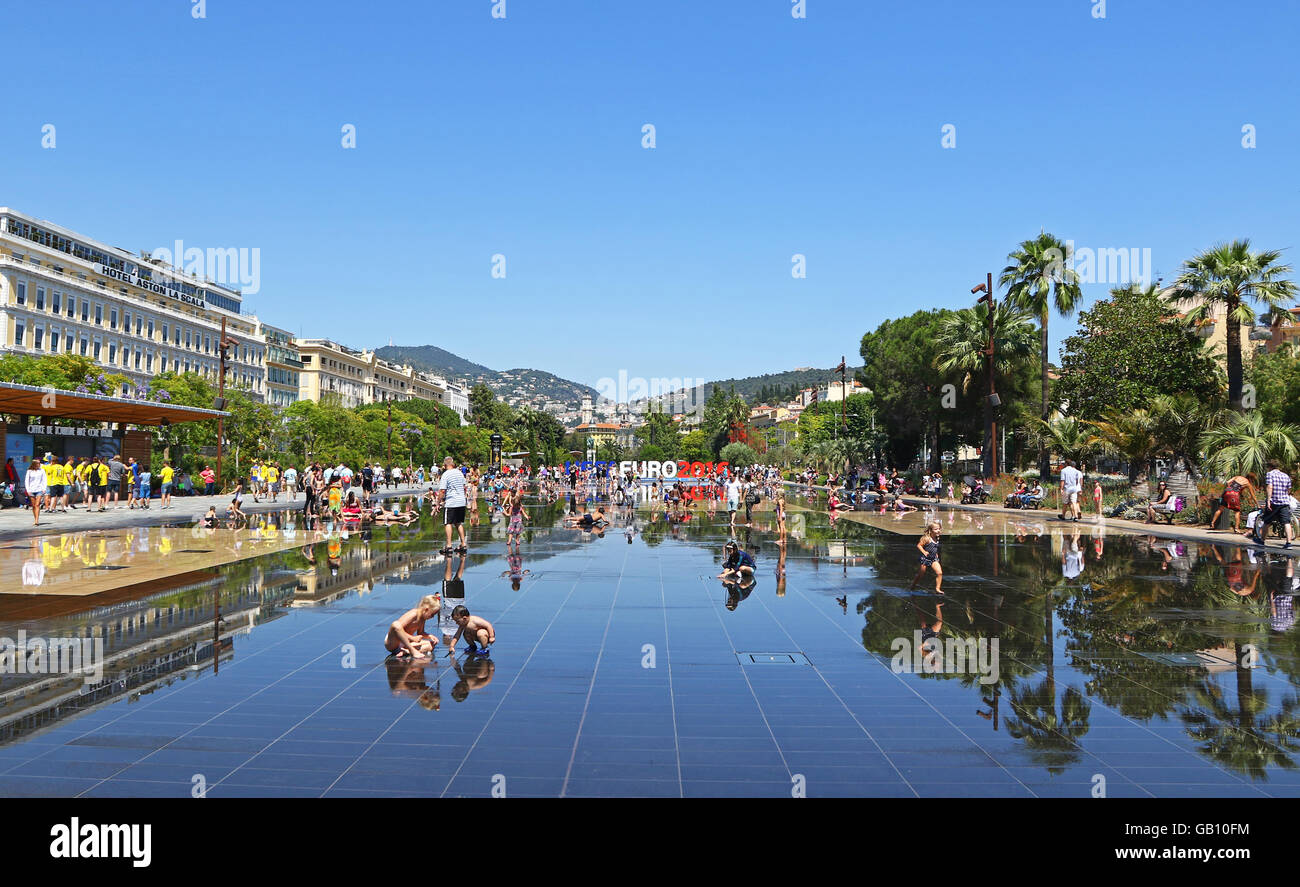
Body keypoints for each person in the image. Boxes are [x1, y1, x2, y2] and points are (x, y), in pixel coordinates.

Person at [1254, 460, 1294, 549]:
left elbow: (1269, 487)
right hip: (1284, 502)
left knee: (1267, 521)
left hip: (1274, 502)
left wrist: (1268, 500)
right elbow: (1289, 489)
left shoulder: (1269, 474)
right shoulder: (1285, 475)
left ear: (1269, 467)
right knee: (1286, 522)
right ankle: (1288, 543)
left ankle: (1262, 541)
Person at [437, 456, 469, 555]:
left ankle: (449, 545)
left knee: (448, 523)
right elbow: (464, 487)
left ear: (445, 465)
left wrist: (438, 502)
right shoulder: (459, 473)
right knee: (458, 523)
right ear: (453, 463)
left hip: (451, 501)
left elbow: (442, 490)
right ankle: (463, 544)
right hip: (461, 501)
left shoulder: (446, 474)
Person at [913, 520, 944, 593]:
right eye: (936, 529)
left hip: (933, 558)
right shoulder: (927, 538)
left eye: (939, 528)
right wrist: (924, 552)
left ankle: (937, 588)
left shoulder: (937, 538)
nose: (938, 530)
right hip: (925, 558)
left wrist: (936, 554)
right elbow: (919, 545)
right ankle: (913, 585)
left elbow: (935, 547)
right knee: (921, 575)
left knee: (939, 573)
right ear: (930, 530)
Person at [24, 458, 47, 526]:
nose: (39, 464)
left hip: (39, 489)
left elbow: (44, 480)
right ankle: (35, 518)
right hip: (31, 490)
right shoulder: (29, 471)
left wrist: (44, 488)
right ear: (34, 464)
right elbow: (26, 481)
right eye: (38, 463)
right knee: (33, 506)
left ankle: (37, 520)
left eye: (39, 463)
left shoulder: (42, 471)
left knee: (37, 504)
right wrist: (28, 490)